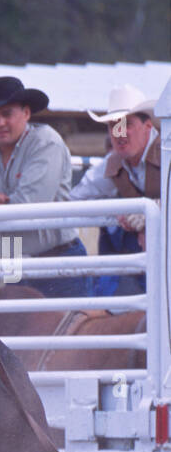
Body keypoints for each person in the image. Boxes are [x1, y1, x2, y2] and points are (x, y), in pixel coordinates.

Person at [0, 76, 83, 296]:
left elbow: (28, 207)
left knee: (71, 327)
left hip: (58, 260)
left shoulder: (47, 142)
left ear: (26, 113)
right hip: (14, 264)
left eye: (7, 114)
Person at [68, 84, 160, 295]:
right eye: (112, 126)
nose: (118, 133)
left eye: (126, 124)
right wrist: (118, 211)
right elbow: (74, 202)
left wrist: (156, 211)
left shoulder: (167, 152)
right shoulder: (110, 165)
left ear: (148, 126)